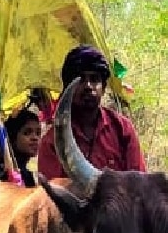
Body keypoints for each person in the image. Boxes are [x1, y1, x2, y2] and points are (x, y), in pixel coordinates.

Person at [36, 44, 146, 179]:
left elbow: (139, 183)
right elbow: (52, 194)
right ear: (67, 88)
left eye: (94, 79)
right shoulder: (53, 141)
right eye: (81, 79)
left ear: (104, 88)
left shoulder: (123, 129)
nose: (88, 86)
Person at [3, 109, 42, 187]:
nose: (35, 138)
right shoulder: (2, 173)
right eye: (27, 133)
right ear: (12, 137)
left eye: (38, 133)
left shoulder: (28, 176)